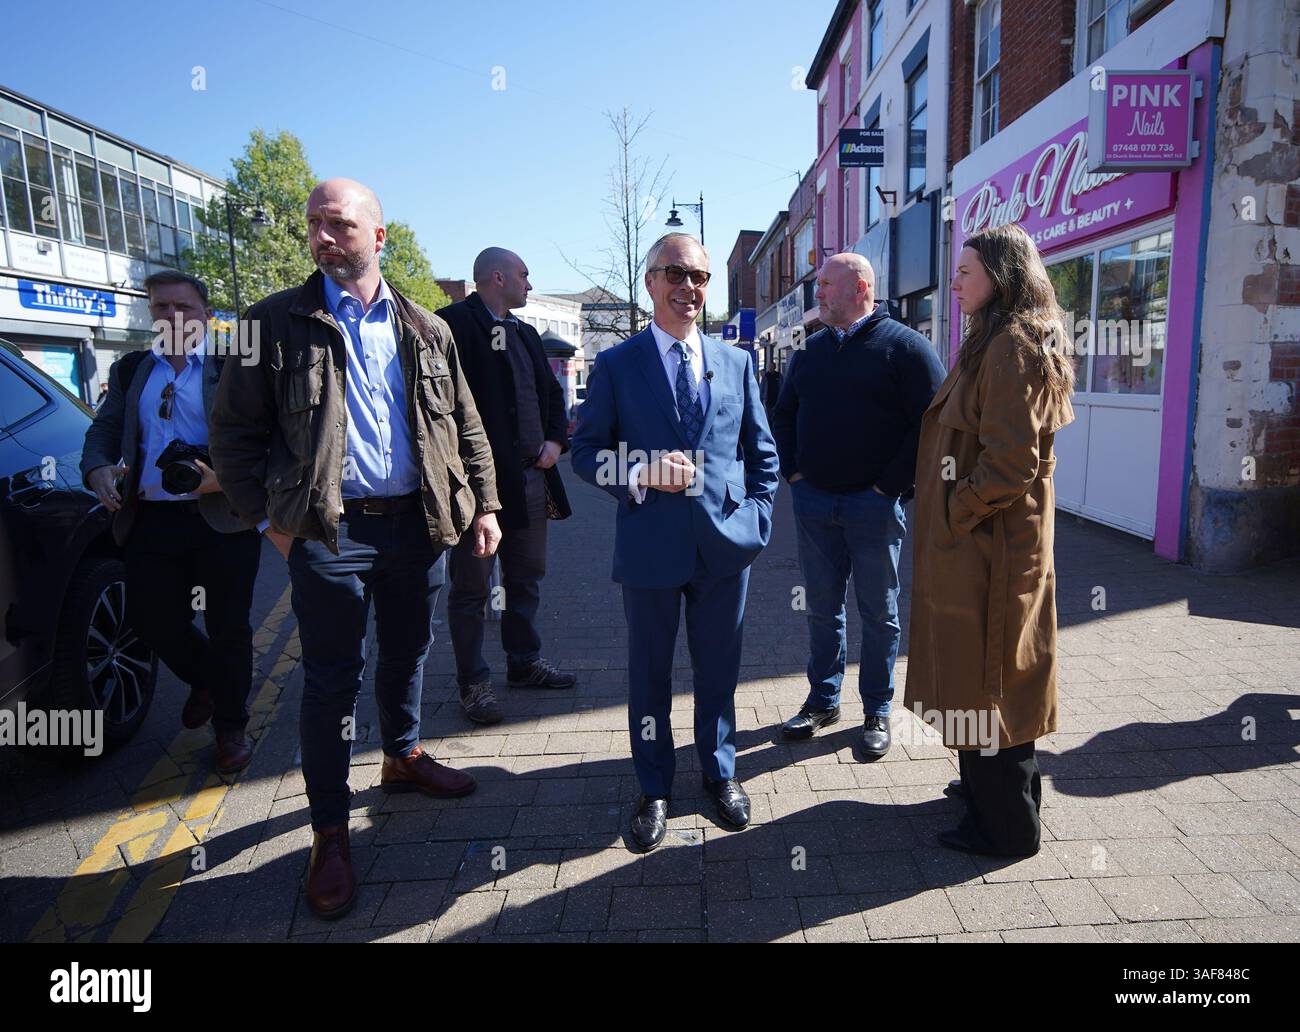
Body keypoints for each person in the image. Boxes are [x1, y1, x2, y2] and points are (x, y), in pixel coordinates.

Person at [209, 178, 502, 918]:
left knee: (408, 651)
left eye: (338, 223)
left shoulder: (426, 327)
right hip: (329, 532)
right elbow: (233, 435)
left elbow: (466, 425)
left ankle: (402, 756)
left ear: (379, 235)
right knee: (334, 678)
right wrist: (269, 524)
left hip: (418, 524)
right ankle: (331, 833)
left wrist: (486, 505)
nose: (322, 236)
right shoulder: (271, 322)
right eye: (314, 224)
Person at [572, 232, 779, 852]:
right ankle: (653, 787)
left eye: (700, 278)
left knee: (719, 672)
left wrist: (757, 518)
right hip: (650, 550)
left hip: (723, 551)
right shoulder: (615, 365)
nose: (689, 288)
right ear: (650, 281)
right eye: (676, 275)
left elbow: (761, 453)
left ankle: (720, 774)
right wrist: (638, 472)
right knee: (650, 677)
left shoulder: (736, 362)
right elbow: (585, 455)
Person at [906, 222, 1075, 858]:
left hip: (990, 550)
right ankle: (994, 794)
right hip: (985, 546)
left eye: (966, 272)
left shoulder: (1011, 345)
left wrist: (956, 510)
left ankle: (1005, 826)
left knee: (987, 679)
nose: (955, 283)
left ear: (1000, 278)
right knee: (984, 675)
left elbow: (1010, 462)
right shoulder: (999, 339)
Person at [81, 270, 261, 775]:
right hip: (153, 518)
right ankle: (207, 680)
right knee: (149, 620)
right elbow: (107, 427)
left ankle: (230, 726)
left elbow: (264, 436)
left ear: (206, 313)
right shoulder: (133, 368)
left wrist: (221, 479)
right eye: (161, 308)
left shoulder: (234, 365)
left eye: (184, 307)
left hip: (223, 518)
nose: (173, 317)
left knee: (229, 629)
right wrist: (96, 466)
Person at [771, 254, 944, 758]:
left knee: (878, 611)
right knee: (822, 608)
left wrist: (888, 487)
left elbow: (933, 423)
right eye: (817, 285)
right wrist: (795, 474)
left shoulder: (906, 347)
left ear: (861, 288)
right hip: (814, 503)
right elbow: (782, 415)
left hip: (875, 508)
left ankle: (877, 709)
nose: (817, 294)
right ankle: (824, 700)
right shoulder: (810, 351)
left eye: (825, 285)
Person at [437, 248, 575, 725]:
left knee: (527, 577)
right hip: (476, 489)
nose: (529, 285)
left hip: (530, 479)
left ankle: (523, 662)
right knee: (472, 588)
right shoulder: (449, 325)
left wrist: (556, 441)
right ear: (497, 277)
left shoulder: (525, 333)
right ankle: (473, 684)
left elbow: (551, 394)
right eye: (524, 275)